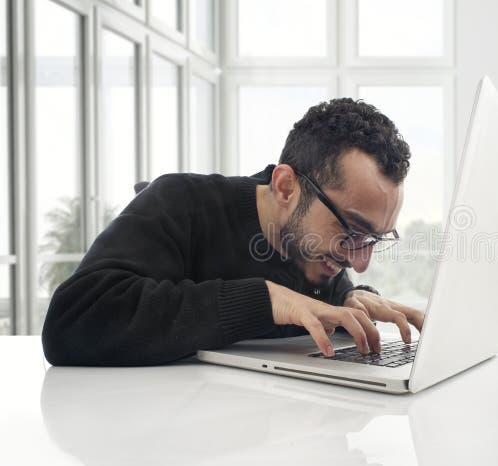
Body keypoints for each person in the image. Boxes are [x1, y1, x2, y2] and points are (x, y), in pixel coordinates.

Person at [41, 98, 424, 366]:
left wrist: (353, 297)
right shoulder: (182, 202)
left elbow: (320, 291)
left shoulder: (313, 245)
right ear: (286, 187)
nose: (358, 261)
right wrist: (264, 300)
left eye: (373, 239)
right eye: (352, 231)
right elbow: (73, 322)